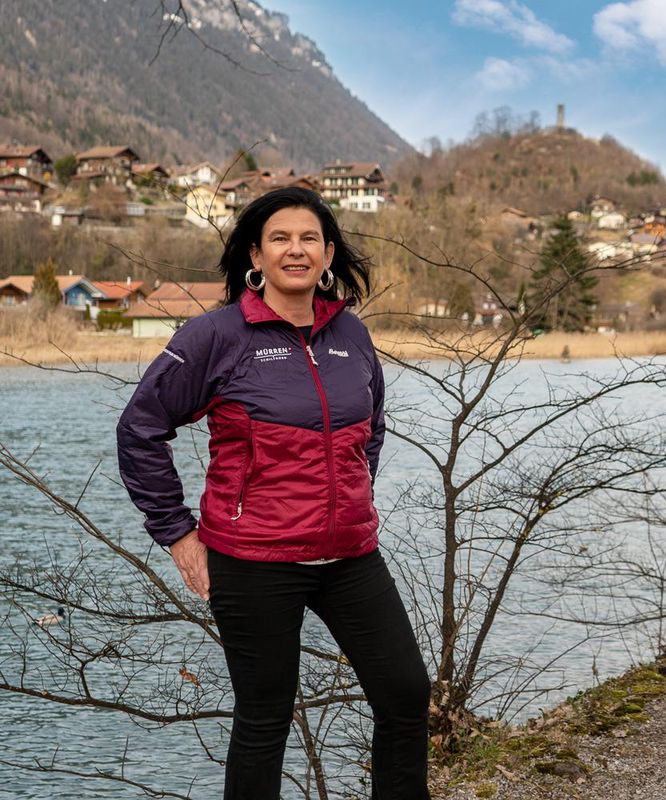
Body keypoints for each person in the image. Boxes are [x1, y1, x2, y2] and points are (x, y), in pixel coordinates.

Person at [116, 187, 431, 799]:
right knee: (264, 721)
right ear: (255, 257)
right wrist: (178, 535)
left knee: (405, 693)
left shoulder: (352, 336)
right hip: (254, 561)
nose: (296, 249)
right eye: (280, 238)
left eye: (309, 238)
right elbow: (140, 428)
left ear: (328, 252)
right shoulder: (217, 335)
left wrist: (349, 493)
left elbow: (371, 427)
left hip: (349, 557)